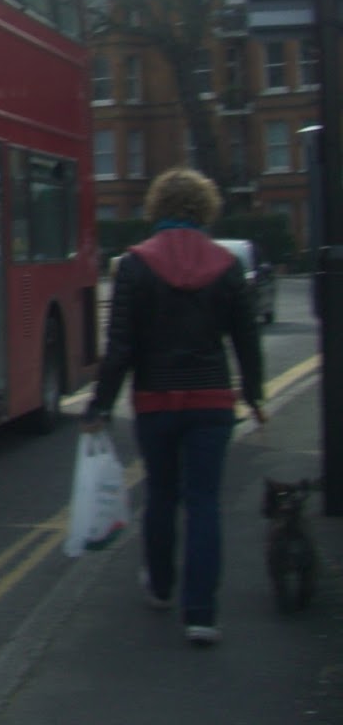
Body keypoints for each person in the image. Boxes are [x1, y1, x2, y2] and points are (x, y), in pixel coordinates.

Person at [82, 166, 264, 648]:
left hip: (156, 401)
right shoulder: (226, 266)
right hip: (211, 401)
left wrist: (99, 405)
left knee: (161, 495)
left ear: (156, 208)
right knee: (204, 502)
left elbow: (119, 347)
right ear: (205, 209)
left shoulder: (135, 266)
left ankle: (160, 587)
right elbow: (246, 338)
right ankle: (201, 614)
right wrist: (256, 393)